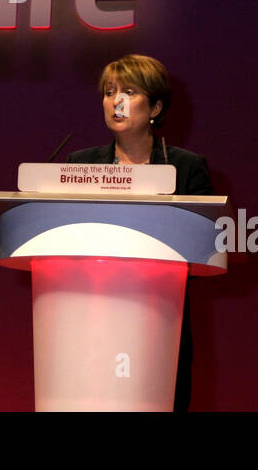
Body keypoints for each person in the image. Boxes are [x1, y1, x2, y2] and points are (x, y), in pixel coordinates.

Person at [66, 54, 213, 412]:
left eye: (128, 92)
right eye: (109, 91)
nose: (115, 101)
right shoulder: (79, 165)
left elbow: (206, 240)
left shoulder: (185, 168)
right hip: (88, 318)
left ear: (155, 106)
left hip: (159, 320)